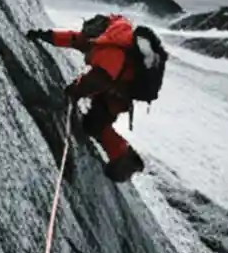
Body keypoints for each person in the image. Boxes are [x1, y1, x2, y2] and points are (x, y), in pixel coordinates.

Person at [27, 13, 146, 182]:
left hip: (116, 94)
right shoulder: (110, 38)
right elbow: (75, 39)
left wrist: (76, 91)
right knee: (96, 124)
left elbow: (99, 78)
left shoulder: (112, 48)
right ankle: (123, 157)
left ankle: (124, 160)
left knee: (95, 124)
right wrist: (47, 36)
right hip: (115, 89)